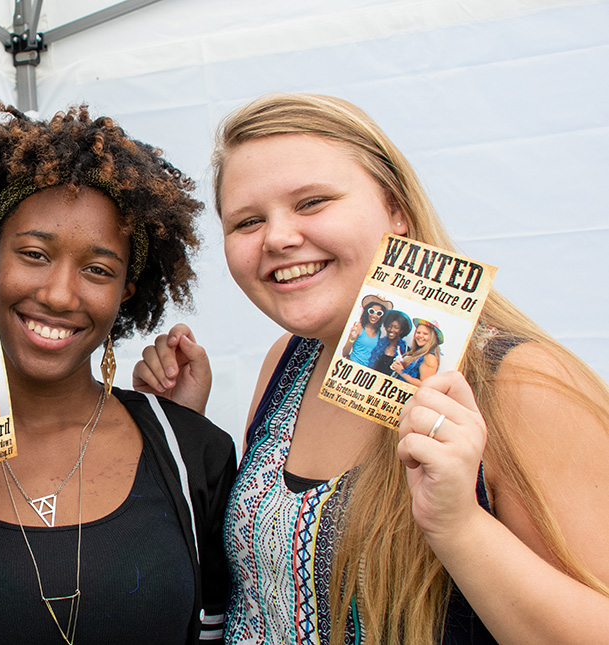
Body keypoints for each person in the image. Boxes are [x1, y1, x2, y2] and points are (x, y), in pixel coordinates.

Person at [134, 93, 609, 644]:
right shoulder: (286, 361)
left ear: (396, 209)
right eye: (248, 221)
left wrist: (460, 526)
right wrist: (183, 432)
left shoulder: (523, 382)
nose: (279, 237)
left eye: (312, 202)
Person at [0, 104, 236, 644]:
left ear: (126, 292)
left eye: (98, 270)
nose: (59, 294)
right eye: (34, 254)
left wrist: (172, 425)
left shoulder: (195, 451)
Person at [341, 294, 389, 366]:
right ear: (367, 312)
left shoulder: (378, 332)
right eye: (372, 311)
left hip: (366, 370)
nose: (374, 315)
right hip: (352, 365)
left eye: (379, 313)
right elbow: (344, 353)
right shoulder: (359, 327)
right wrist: (351, 339)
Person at [392, 318, 443, 385]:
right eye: (418, 332)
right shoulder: (415, 352)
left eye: (425, 334)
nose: (420, 336)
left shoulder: (430, 358)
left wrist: (401, 371)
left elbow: (423, 384)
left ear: (432, 337)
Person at [369, 309, 412, 376]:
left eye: (396, 327)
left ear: (401, 330)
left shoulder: (406, 350)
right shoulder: (378, 344)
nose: (391, 330)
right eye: (389, 326)